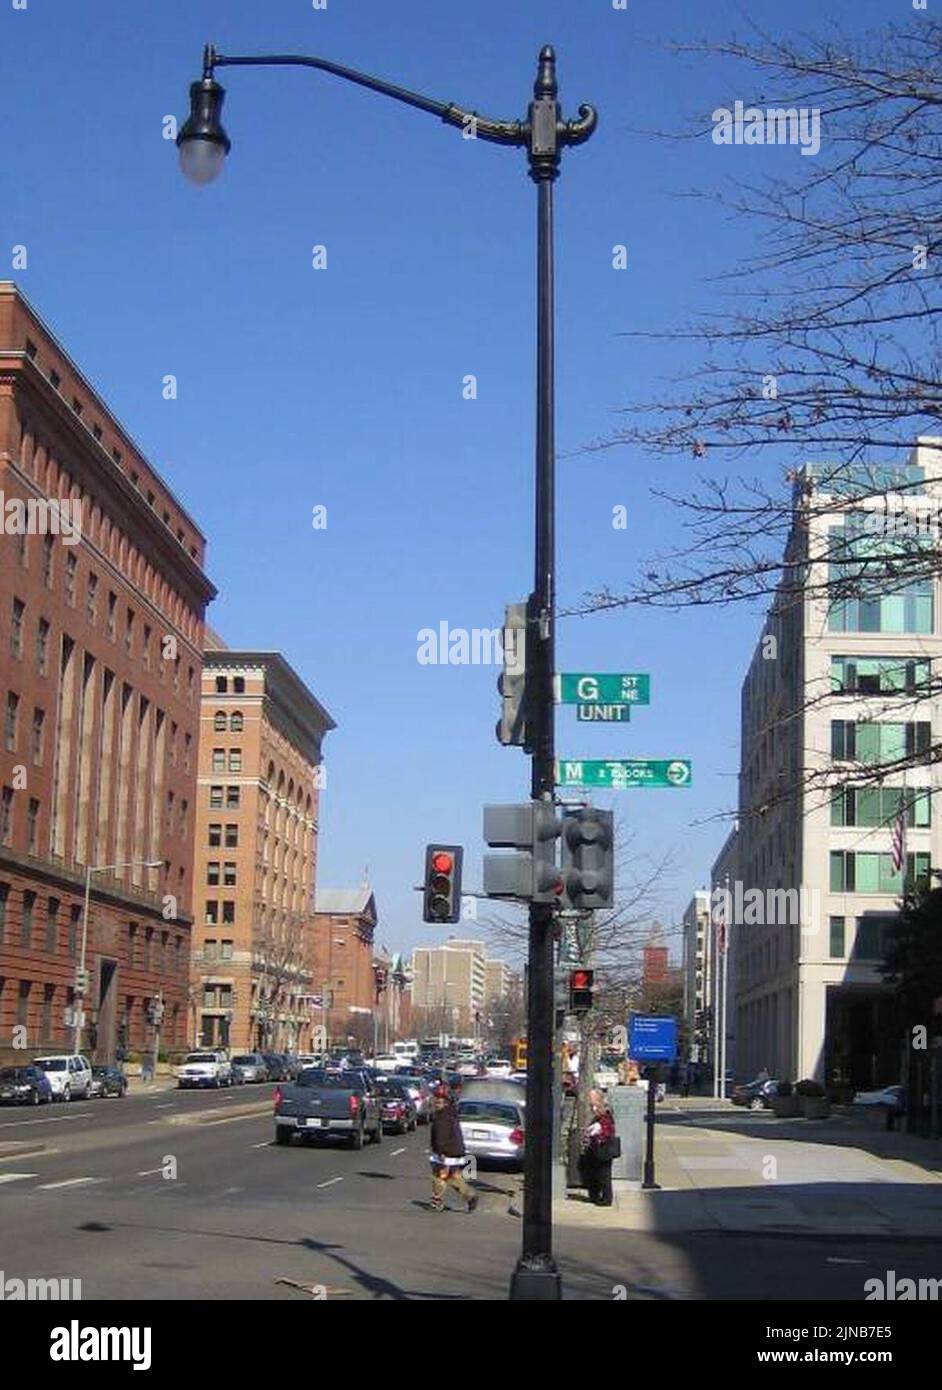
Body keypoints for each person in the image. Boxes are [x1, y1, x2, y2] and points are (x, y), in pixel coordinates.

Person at [428, 1086, 478, 1213]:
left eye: (439, 1102)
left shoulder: (443, 1117)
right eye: (436, 1100)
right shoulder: (451, 1114)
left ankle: (436, 1201)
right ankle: (470, 1196)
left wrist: (441, 1152)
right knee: (453, 1177)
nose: (436, 1103)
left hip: (446, 1153)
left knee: (439, 1176)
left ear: (445, 1103)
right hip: (455, 1152)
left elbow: (441, 1136)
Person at [579, 1088, 617, 1206]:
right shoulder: (598, 1112)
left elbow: (606, 1130)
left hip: (603, 1148)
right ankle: (596, 1195)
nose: (590, 1101)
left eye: (592, 1097)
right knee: (595, 1173)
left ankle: (605, 1198)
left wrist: (595, 1132)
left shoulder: (604, 1112)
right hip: (596, 1147)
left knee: (604, 1174)